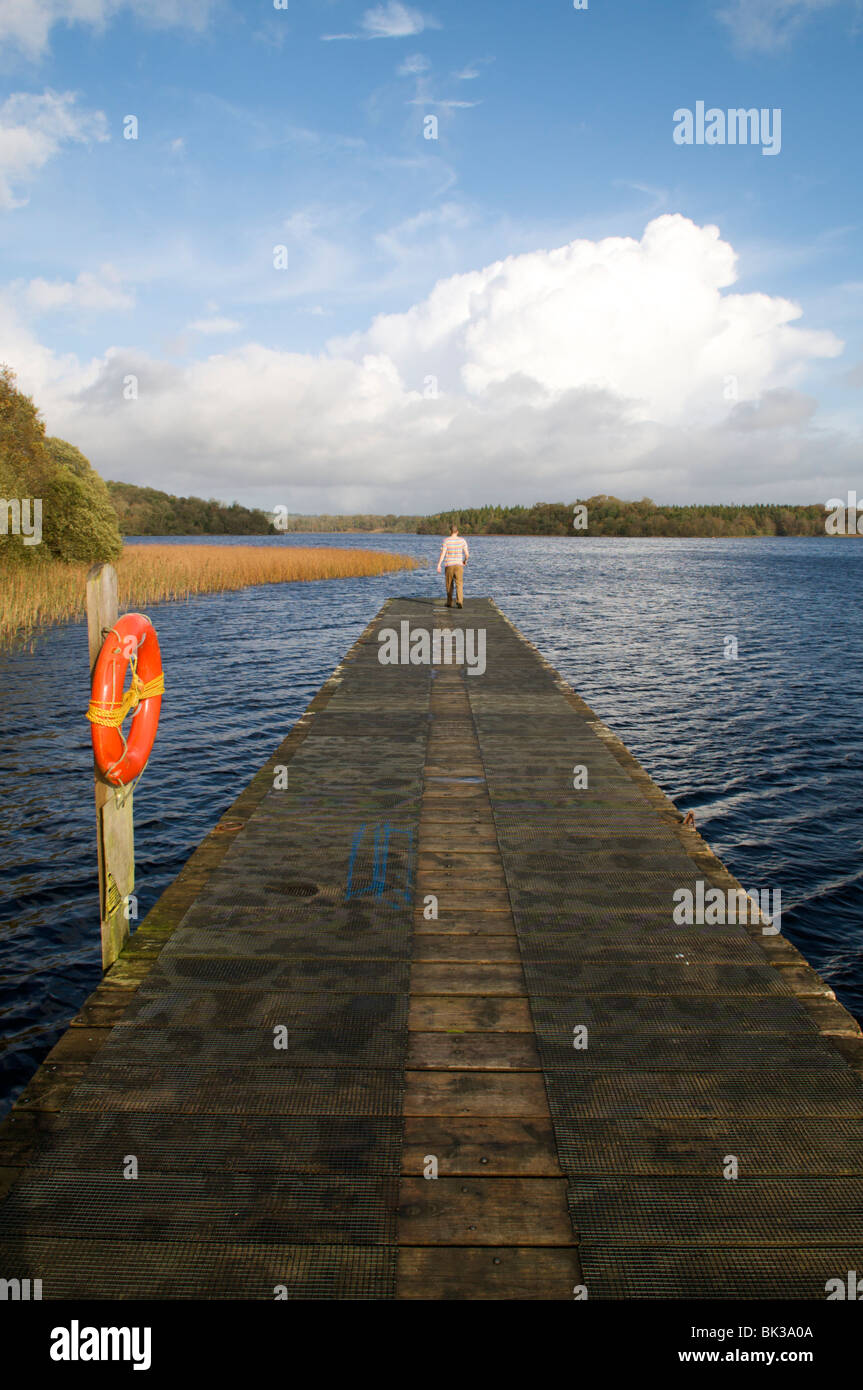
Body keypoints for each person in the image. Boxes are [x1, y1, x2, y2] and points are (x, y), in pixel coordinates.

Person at [437, 523, 469, 608]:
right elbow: (467, 554)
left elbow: (443, 554)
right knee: (459, 583)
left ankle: (449, 602)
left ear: (450, 531)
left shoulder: (446, 540)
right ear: (457, 531)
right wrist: (465, 561)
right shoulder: (462, 540)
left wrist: (439, 565)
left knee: (449, 584)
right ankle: (459, 601)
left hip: (449, 565)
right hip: (459, 565)